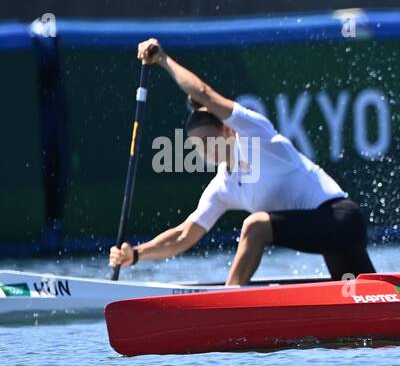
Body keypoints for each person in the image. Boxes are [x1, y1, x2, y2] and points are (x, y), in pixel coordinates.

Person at [108, 38, 375, 285]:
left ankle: (228, 301)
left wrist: (163, 59)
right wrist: (135, 254)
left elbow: (203, 92)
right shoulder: (223, 187)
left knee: (255, 225)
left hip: (342, 219)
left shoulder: (255, 135)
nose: (204, 152)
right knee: (361, 293)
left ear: (228, 131)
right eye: (197, 147)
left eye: (207, 141)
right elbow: (184, 235)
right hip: (328, 238)